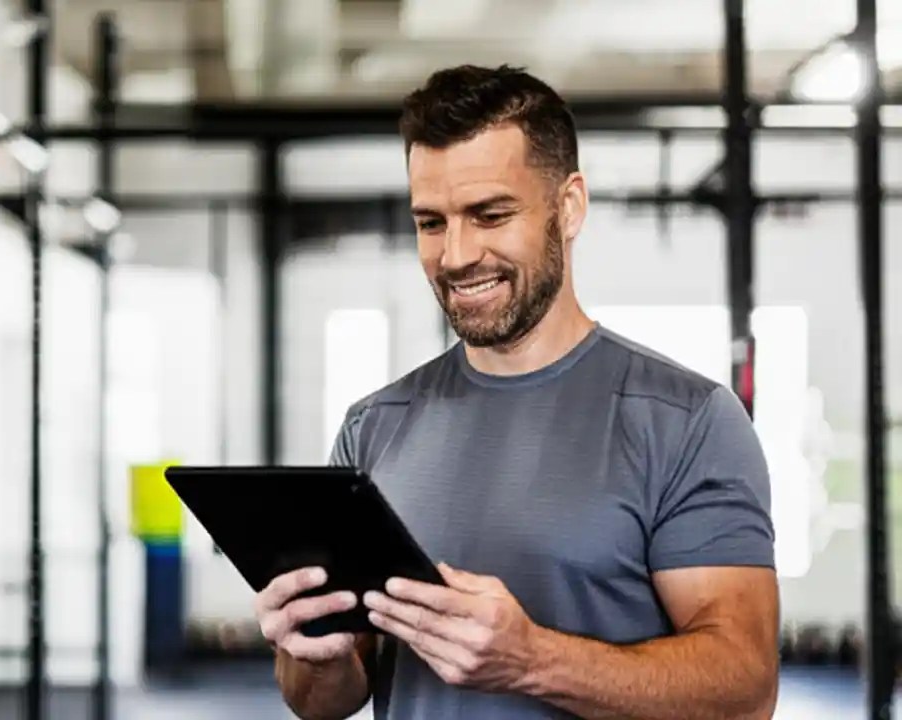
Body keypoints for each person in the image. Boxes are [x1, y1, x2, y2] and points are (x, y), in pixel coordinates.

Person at [253, 65, 779, 719]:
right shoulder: (375, 426)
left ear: (569, 207)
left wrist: (531, 660)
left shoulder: (686, 422)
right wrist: (312, 653)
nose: (456, 255)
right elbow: (324, 702)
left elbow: (745, 691)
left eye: (490, 215)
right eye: (431, 223)